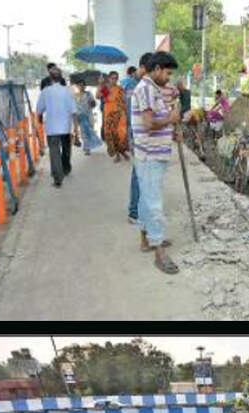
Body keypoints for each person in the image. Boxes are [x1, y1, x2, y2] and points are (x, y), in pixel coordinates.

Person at [131, 51, 181, 274]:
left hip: (150, 153)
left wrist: (170, 132)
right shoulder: (146, 89)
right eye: (168, 73)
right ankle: (159, 250)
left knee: (145, 200)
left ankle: (147, 239)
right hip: (150, 155)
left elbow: (152, 125)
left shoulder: (152, 89)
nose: (168, 78)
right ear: (158, 68)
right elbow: (149, 123)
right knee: (154, 203)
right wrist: (170, 120)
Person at [36, 75, 77, 187]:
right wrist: (76, 129)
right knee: (66, 149)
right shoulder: (68, 91)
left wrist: (39, 119)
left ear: (50, 79)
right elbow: (73, 110)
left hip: (52, 128)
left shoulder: (45, 91)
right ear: (61, 79)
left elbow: (39, 109)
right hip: (65, 127)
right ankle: (66, 168)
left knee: (54, 152)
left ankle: (58, 177)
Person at [126, 53, 153, 224]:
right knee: (138, 174)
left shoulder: (147, 85)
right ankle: (134, 212)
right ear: (142, 67)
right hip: (136, 134)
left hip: (145, 135)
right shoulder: (131, 85)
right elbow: (130, 114)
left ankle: (141, 209)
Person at [101, 71, 129, 162]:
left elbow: (123, 101)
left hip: (119, 115)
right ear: (109, 78)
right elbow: (98, 96)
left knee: (121, 134)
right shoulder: (104, 88)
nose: (114, 80)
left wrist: (124, 113)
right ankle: (117, 154)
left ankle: (123, 151)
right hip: (108, 115)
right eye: (112, 78)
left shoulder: (120, 88)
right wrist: (100, 85)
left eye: (116, 78)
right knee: (111, 134)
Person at [70, 77, 102, 156]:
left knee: (90, 131)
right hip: (80, 116)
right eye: (79, 85)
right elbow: (73, 106)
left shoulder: (89, 94)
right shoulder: (75, 95)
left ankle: (88, 145)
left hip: (89, 116)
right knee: (84, 132)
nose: (81, 86)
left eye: (83, 85)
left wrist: (92, 102)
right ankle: (87, 148)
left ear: (85, 86)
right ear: (77, 86)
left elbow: (94, 104)